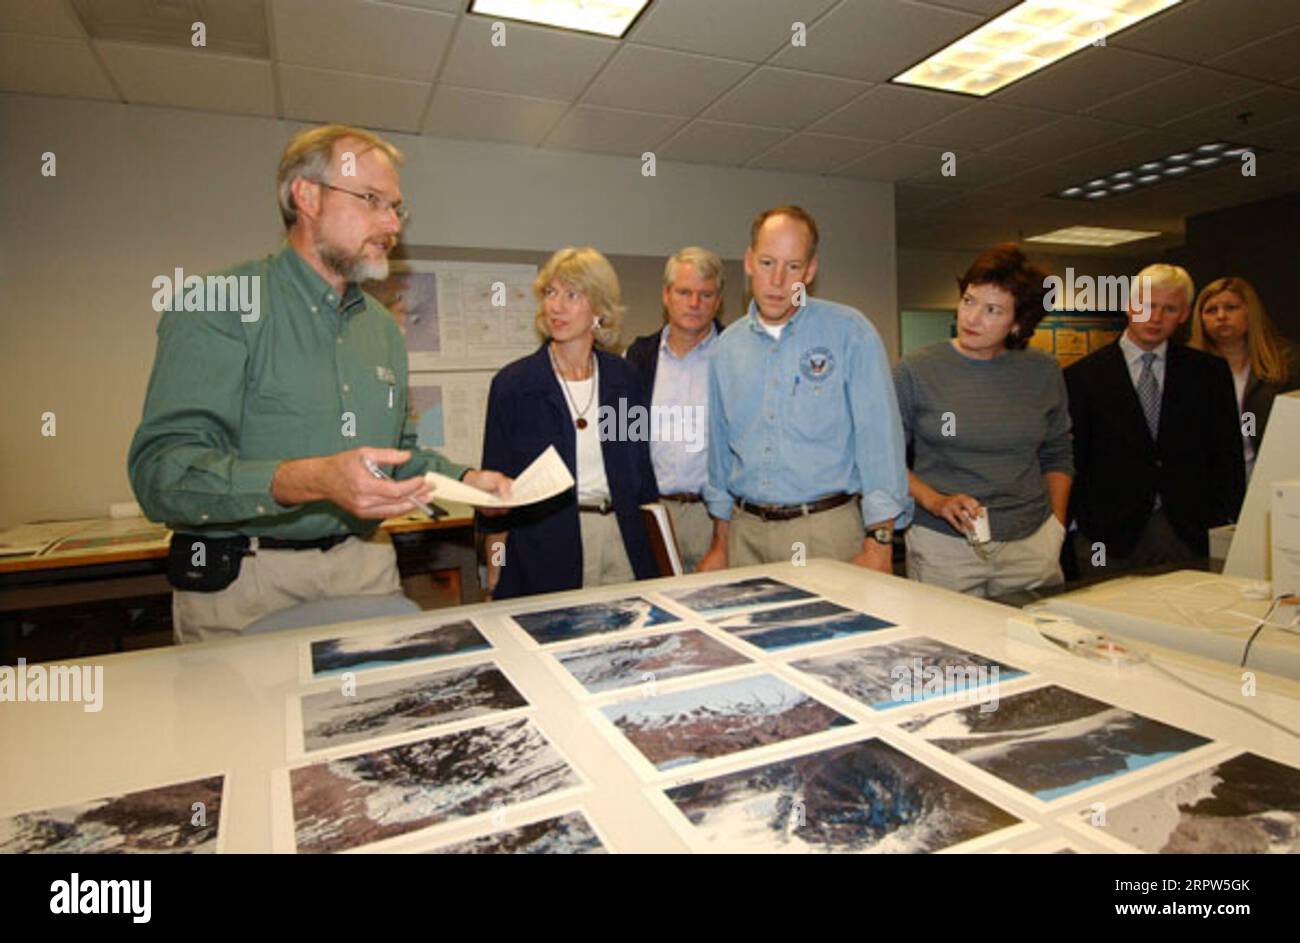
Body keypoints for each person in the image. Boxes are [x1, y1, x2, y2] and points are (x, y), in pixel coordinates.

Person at [128, 124, 511, 643]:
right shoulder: (217, 302)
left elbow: (399, 455)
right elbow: (163, 476)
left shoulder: (381, 328)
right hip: (248, 580)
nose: (392, 223)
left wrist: (469, 480)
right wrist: (312, 480)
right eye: (373, 200)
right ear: (306, 196)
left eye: (397, 208)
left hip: (365, 567)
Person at [702, 205, 910, 573]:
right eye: (767, 263)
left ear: (810, 270)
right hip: (745, 535)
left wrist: (880, 543)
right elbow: (720, 455)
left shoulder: (850, 333)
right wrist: (721, 543)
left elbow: (880, 444)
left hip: (825, 533)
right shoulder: (725, 348)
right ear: (749, 262)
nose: (778, 280)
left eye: (793, 266)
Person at [481, 247, 660, 599]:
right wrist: (495, 567)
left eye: (572, 295)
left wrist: (655, 547)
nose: (556, 306)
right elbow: (496, 488)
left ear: (599, 309)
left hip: (622, 539)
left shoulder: (623, 379)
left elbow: (640, 472)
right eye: (550, 293)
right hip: (547, 544)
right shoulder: (516, 385)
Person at [894, 245, 1073, 598]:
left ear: (1018, 322)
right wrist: (935, 502)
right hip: (944, 545)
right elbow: (884, 458)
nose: (972, 318)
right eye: (968, 301)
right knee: (946, 647)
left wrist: (1056, 526)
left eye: (992, 310)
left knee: (1033, 648)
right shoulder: (916, 370)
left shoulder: (1042, 370)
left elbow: (1058, 453)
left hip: (1032, 542)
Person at [1065, 263, 1244, 576]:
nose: (1156, 317)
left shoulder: (1209, 373)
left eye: (1169, 308)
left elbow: (1227, 454)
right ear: (1129, 305)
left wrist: (1231, 520)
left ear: (1184, 314)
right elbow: (1072, 459)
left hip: (1189, 532)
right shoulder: (1082, 376)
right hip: (1107, 536)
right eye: (1147, 305)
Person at [625, 247, 727, 571]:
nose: (694, 304)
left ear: (718, 300)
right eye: (684, 292)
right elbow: (625, 439)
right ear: (666, 295)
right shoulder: (639, 357)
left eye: (705, 294)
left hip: (717, 517)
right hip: (656, 513)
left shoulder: (737, 355)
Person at [1189, 276, 1300, 482]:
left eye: (1231, 307)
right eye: (1211, 310)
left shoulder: (1286, 361)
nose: (1221, 316)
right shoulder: (1186, 367)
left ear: (1250, 312)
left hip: (1273, 474)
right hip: (1209, 480)